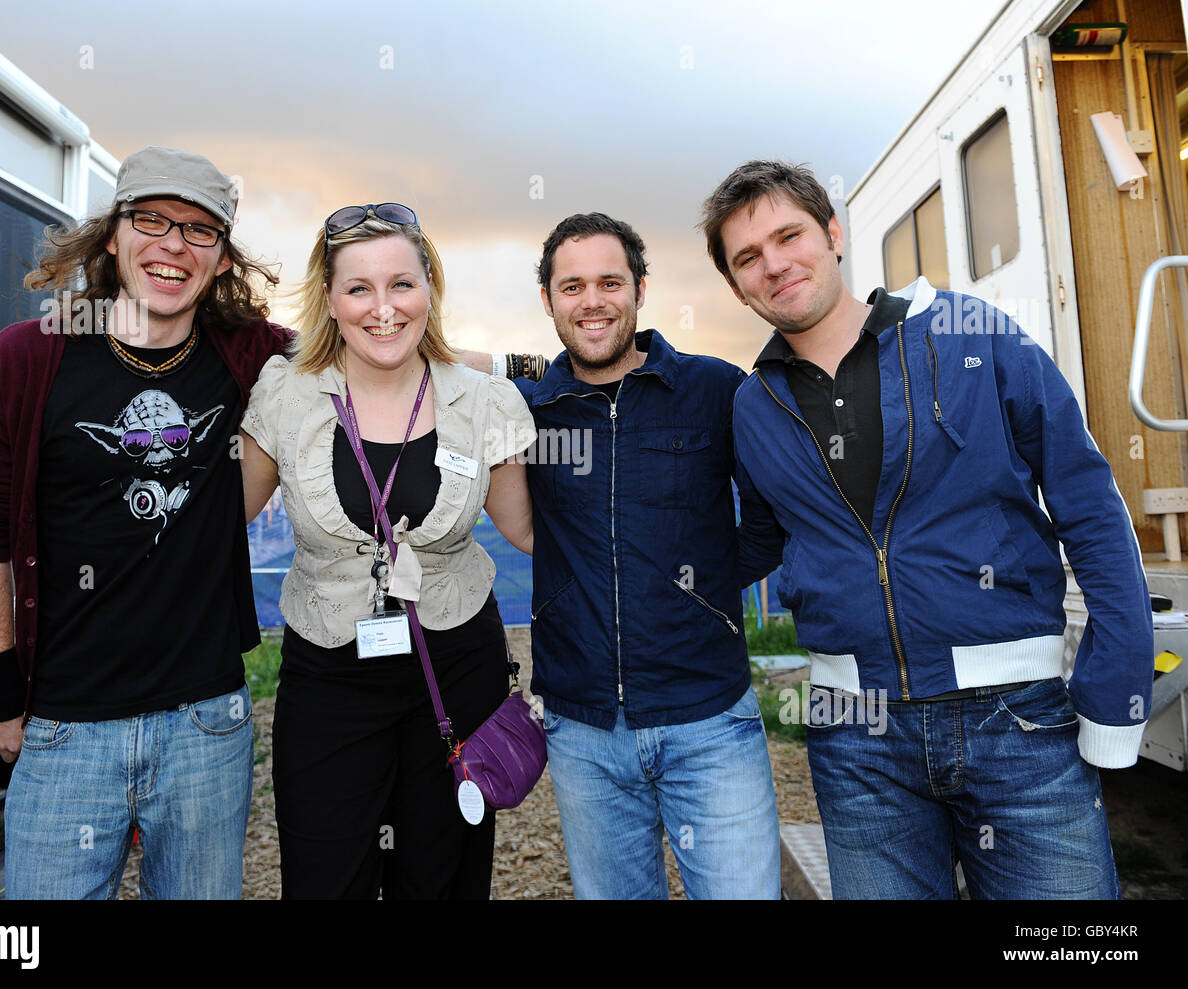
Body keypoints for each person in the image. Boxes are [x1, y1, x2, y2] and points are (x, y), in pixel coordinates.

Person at [702, 159, 1153, 899]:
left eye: (789, 235)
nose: (774, 263)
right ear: (734, 283)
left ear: (834, 234)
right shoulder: (753, 407)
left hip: (1019, 720)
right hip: (856, 733)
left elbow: (1090, 504)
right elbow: (760, 539)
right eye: (748, 257)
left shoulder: (971, 334)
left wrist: (1116, 689)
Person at [0, 146, 289, 899]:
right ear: (113, 235)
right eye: (153, 220)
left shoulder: (246, 355)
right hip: (65, 728)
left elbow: (380, 351)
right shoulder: (26, 358)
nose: (174, 244)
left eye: (201, 230)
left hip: (206, 721)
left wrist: (537, 367)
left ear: (222, 259)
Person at [239, 203, 536, 899]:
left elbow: (529, 531)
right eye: (359, 288)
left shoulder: (485, 400)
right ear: (330, 300)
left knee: (441, 878)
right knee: (324, 878)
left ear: (430, 288)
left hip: (457, 667)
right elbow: (219, 519)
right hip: (329, 675)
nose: (383, 309)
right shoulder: (285, 393)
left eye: (402, 284)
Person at [492, 213, 780, 899]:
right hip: (584, 730)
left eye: (609, 281)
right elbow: (527, 530)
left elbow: (769, 523)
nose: (591, 300)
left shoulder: (716, 389)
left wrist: (699, 589)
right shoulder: (532, 407)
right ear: (548, 300)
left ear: (641, 289)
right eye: (572, 286)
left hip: (710, 720)